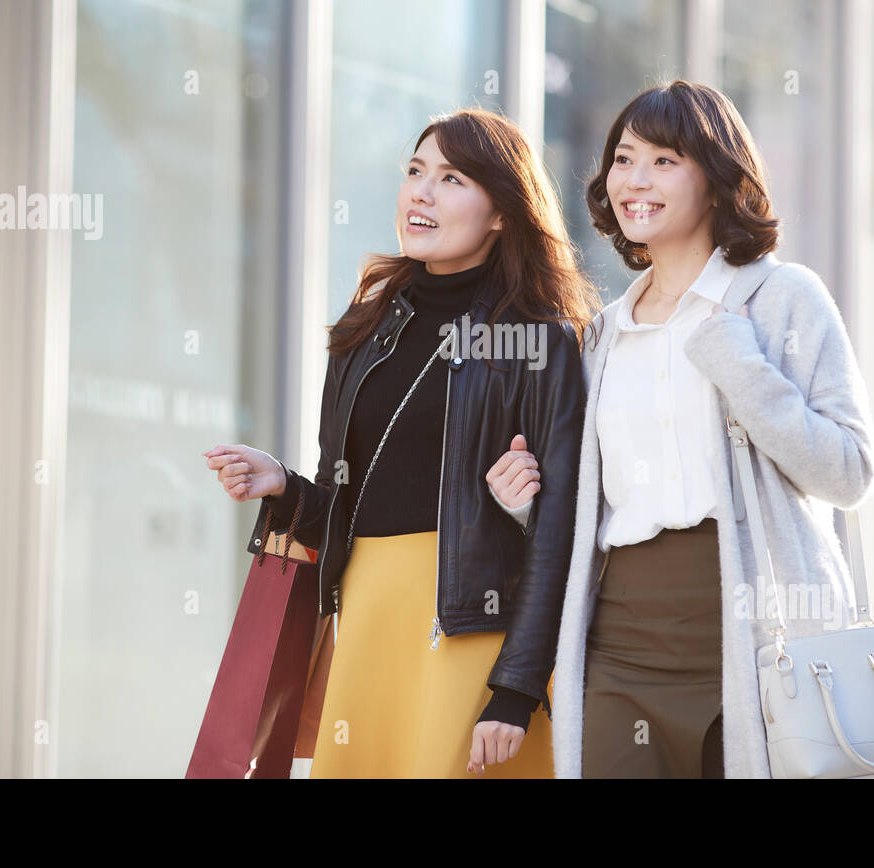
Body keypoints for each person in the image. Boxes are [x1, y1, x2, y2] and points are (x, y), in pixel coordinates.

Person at [488, 80, 874, 778]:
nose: (635, 180)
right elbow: (598, 506)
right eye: (624, 159)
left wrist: (743, 367)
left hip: (759, 637)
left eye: (664, 161)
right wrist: (527, 504)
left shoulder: (783, 299)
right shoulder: (603, 335)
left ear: (718, 179)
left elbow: (847, 474)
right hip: (621, 644)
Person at [205, 107, 598, 777]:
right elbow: (350, 502)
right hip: (369, 614)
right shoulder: (365, 328)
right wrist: (285, 486)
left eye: (451, 179)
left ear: (502, 212)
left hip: (473, 626)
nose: (421, 191)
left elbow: (560, 529)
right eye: (416, 171)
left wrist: (516, 688)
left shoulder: (540, 341)